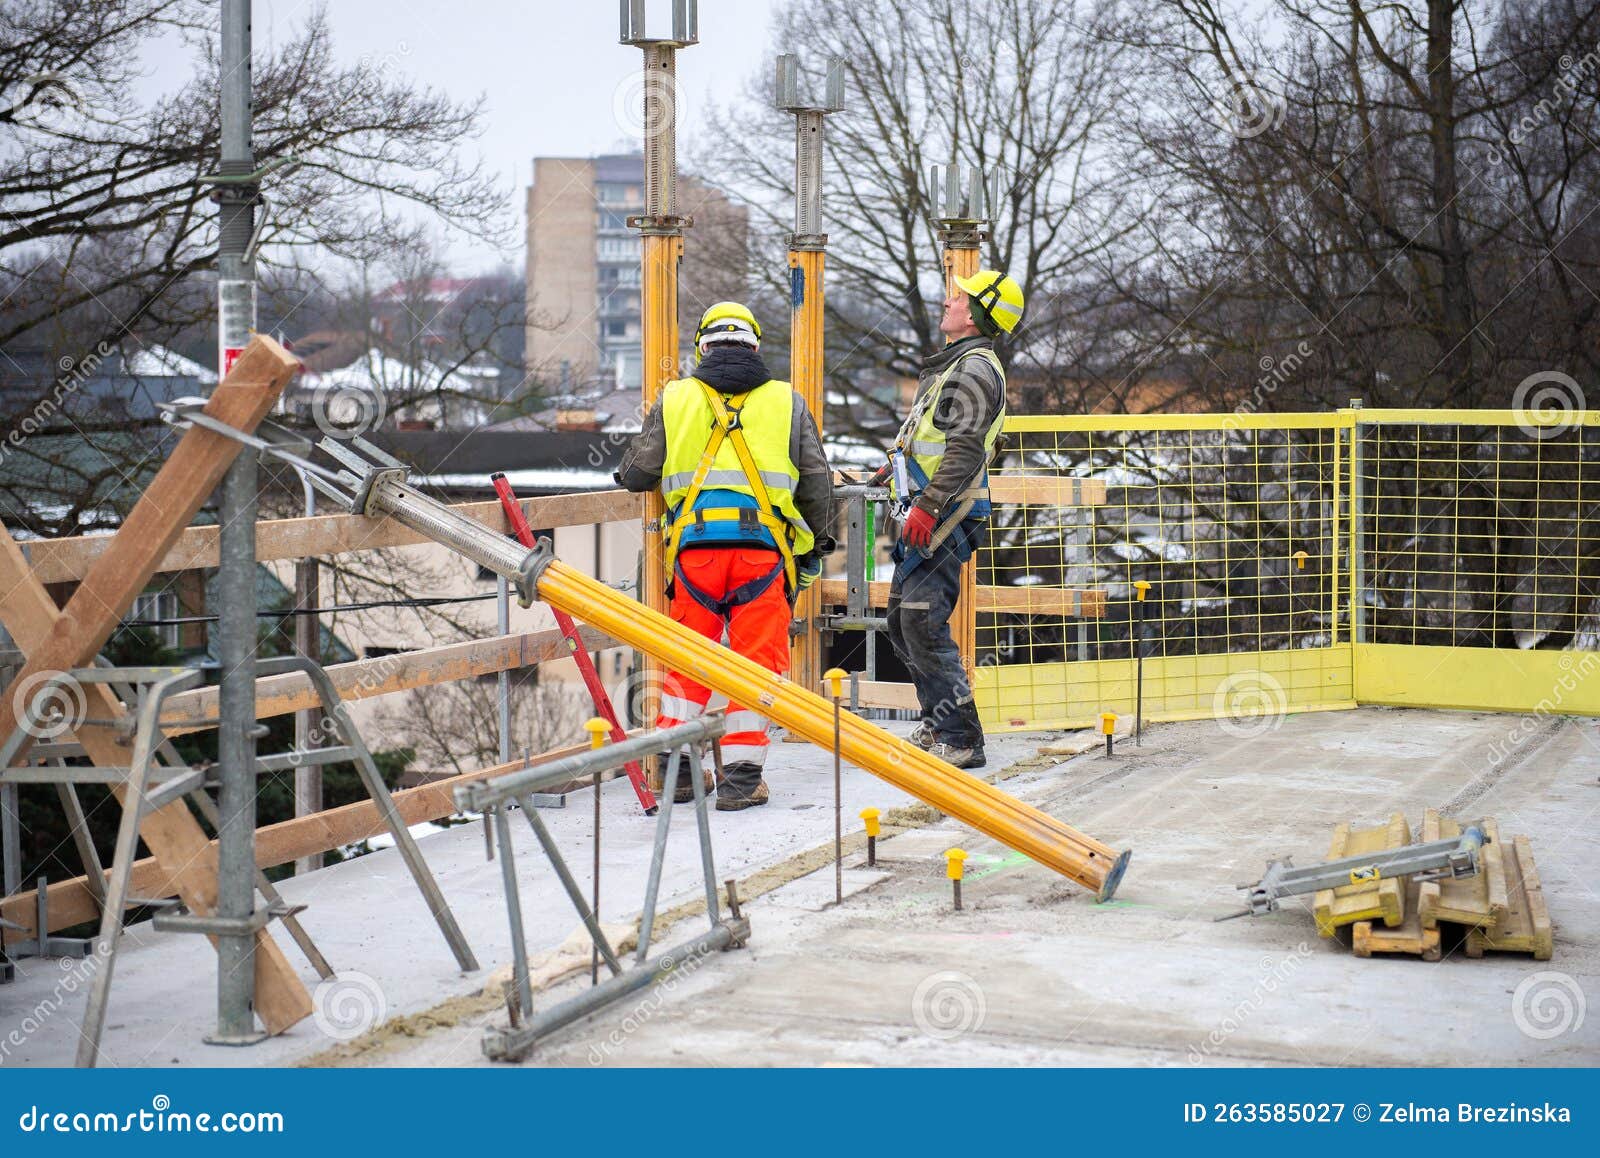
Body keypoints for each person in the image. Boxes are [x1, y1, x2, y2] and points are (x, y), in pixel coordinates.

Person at [616, 301, 834, 810]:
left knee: (688, 660)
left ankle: (680, 774)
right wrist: (819, 543)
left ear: (702, 347)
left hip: (694, 557)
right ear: (755, 347)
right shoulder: (787, 401)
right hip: (763, 555)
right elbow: (817, 482)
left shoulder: (675, 398)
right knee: (755, 663)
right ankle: (739, 781)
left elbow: (636, 472)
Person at [879, 270, 1023, 769]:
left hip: (944, 515)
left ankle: (961, 738)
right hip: (935, 510)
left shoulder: (974, 370)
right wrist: (897, 469)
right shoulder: (957, 366)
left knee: (921, 622)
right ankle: (942, 721)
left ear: (977, 313)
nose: (947, 300)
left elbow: (963, 450)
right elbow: (935, 441)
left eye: (958, 296)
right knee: (903, 621)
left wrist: (930, 503)